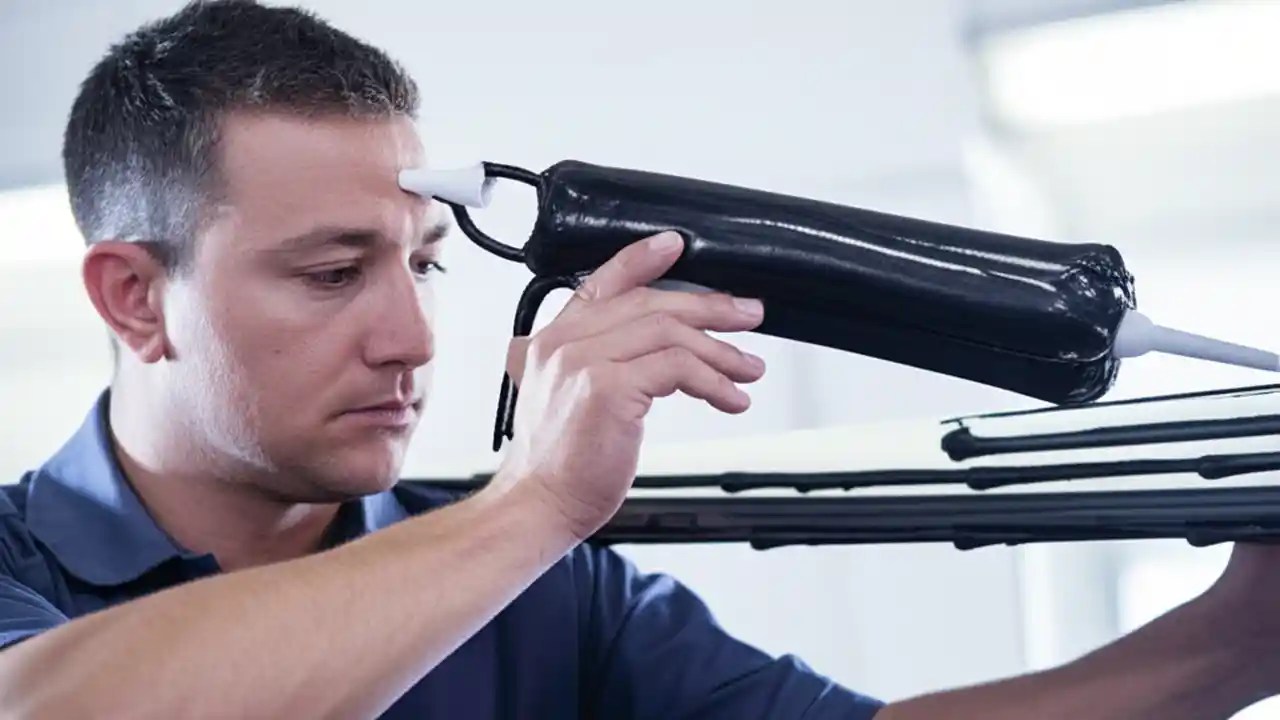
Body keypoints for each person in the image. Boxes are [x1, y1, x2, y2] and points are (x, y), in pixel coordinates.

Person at [1, 1, 1279, 717]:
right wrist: (540, 505)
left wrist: (1239, 638)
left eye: (425, 264)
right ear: (133, 297)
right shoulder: (507, 541)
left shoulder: (534, 587)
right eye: (333, 274)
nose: (409, 337)